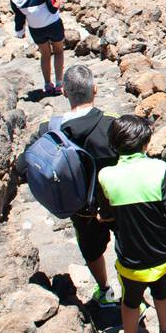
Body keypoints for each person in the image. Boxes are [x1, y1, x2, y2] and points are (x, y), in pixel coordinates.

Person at [15, 64, 119, 307]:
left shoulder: (49, 130)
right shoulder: (111, 126)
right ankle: (132, 293)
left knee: (91, 250)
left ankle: (104, 289)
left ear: (64, 93)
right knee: (126, 246)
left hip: (80, 208)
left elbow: (23, 166)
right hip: (114, 204)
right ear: (96, 89)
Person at [97, 114, 166, 333]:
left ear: (114, 145)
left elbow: (106, 214)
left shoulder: (106, 176)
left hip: (131, 255)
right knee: (162, 290)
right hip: (162, 252)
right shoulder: (158, 169)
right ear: (146, 144)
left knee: (131, 299)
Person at [10, 0, 65, 96]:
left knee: (45, 54)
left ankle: (47, 84)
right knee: (58, 52)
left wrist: (19, 30)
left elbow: (19, 14)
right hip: (53, 25)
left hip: (36, 29)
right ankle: (59, 84)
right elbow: (53, 8)